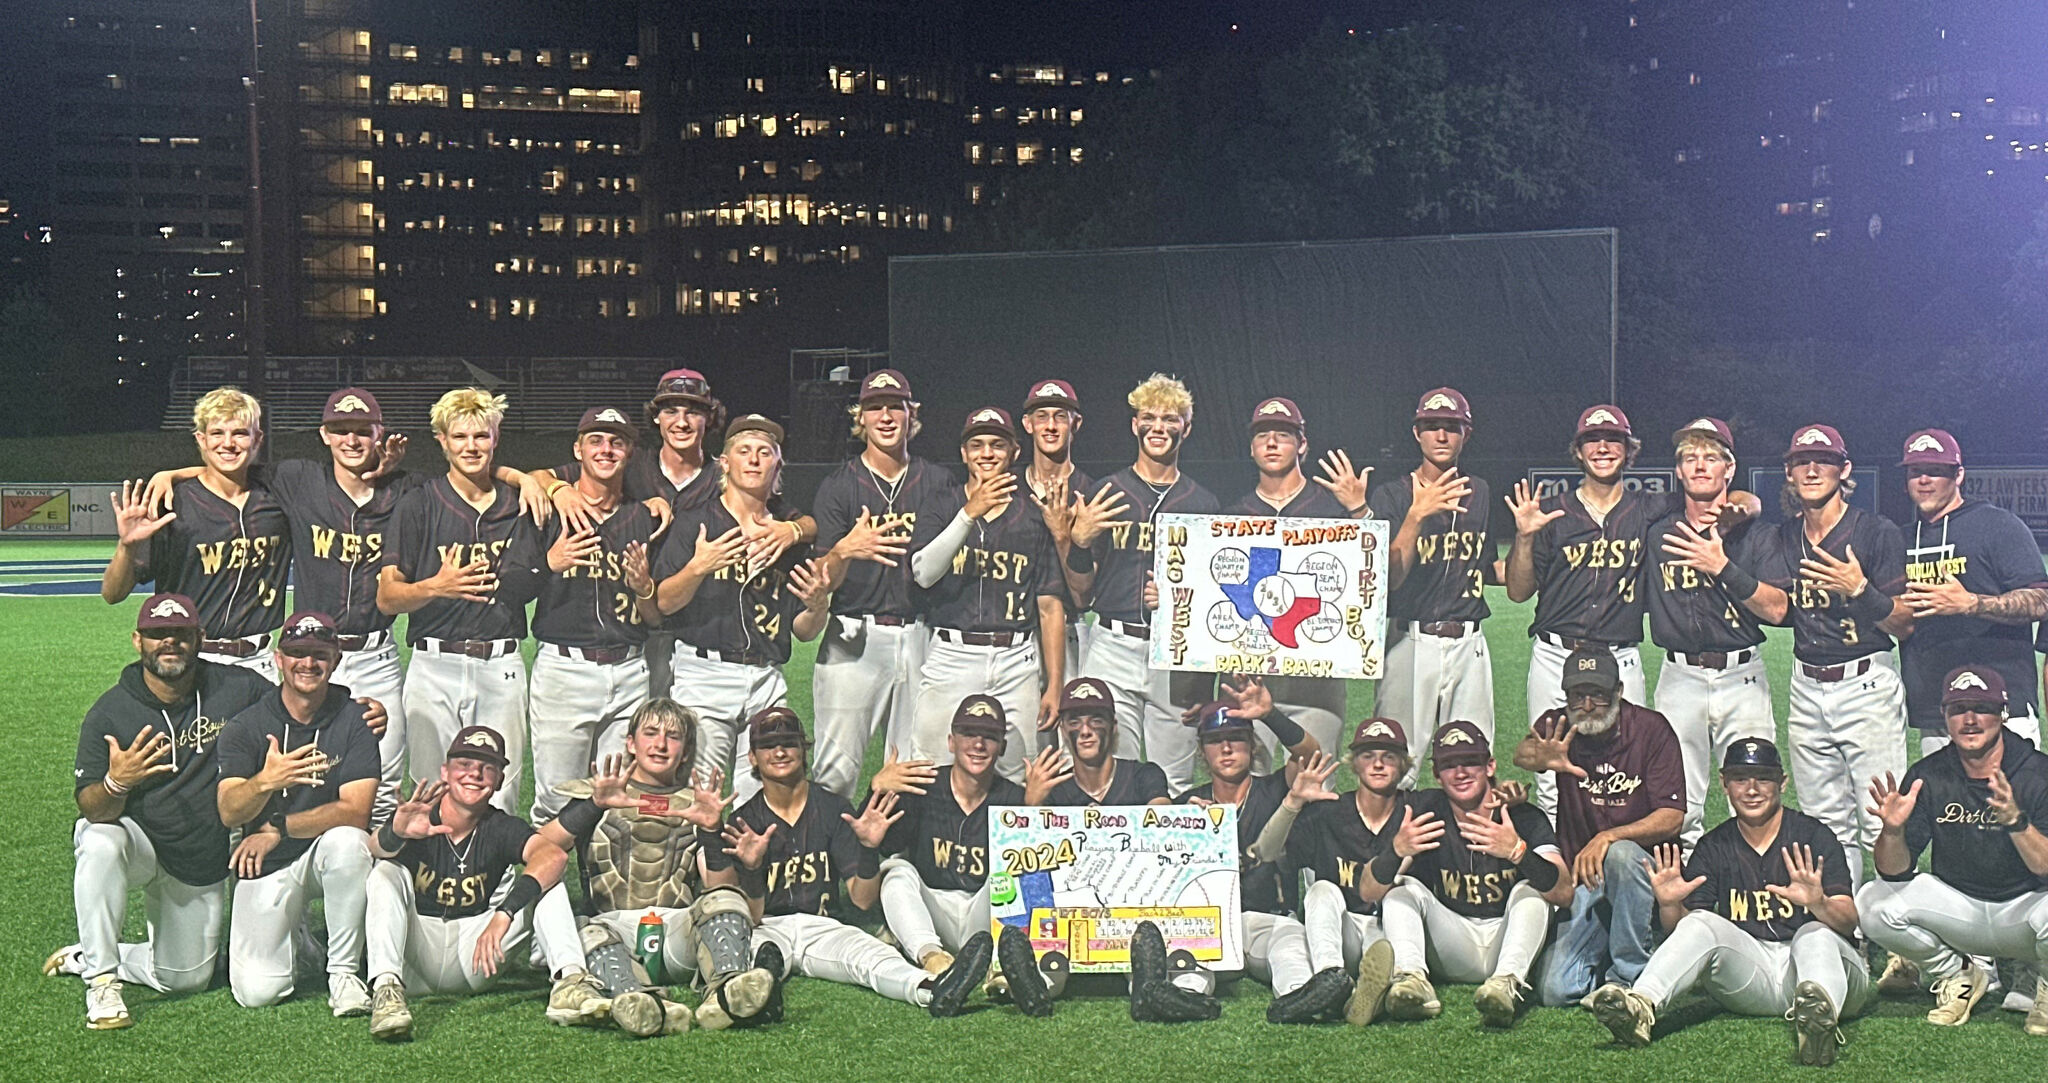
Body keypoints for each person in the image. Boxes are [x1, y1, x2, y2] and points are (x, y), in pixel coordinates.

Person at [138, 387, 545, 821]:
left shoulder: (405, 489)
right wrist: (172, 475)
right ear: (325, 434)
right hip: (310, 658)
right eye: (340, 430)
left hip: (376, 655)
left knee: (383, 782)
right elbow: (227, 468)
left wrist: (524, 478)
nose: (351, 439)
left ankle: (376, 878)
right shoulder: (298, 480)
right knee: (289, 773)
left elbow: (467, 471)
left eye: (361, 430)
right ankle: (286, 857)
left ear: (378, 434)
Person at [1506, 405, 1756, 814]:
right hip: (1555, 655)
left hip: (1619, 657)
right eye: (1593, 440)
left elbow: (1727, 495)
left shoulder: (1650, 509)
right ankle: (1563, 871)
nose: (1603, 448)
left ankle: (1616, 862)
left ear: (1628, 450)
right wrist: (1524, 538)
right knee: (1552, 778)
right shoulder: (1554, 513)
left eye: (1613, 440)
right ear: (1579, 450)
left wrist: (1746, 505)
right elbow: (1518, 592)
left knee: (1625, 774)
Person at [45, 594, 277, 1029]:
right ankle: (101, 981)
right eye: (157, 634)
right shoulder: (110, 712)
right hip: (140, 843)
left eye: (181, 634)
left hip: (198, 856)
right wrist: (119, 781)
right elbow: (92, 807)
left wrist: (353, 708)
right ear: (138, 641)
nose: (169, 643)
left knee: (185, 978)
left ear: (199, 639)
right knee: (98, 841)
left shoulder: (237, 687)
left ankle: (88, 954)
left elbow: (294, 706)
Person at [1588, 737, 1870, 1065]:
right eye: (1740, 778)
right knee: (1698, 921)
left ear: (1782, 782)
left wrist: (1819, 903)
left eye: (1763, 778)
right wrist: (1668, 905)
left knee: (1814, 934)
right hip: (1755, 973)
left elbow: (1849, 921)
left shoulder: (1813, 836)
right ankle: (1641, 1006)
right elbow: (1688, 934)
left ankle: (1820, 1025)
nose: (1752, 789)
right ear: (1724, 783)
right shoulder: (1713, 846)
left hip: (1829, 974)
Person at [1714, 424, 1912, 887]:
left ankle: (1897, 925)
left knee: (1883, 817)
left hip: (1866, 684)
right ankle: (1851, 930)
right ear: (1788, 472)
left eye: (1823, 460)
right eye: (1802, 461)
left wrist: (1860, 589)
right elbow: (1778, 609)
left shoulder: (1876, 531)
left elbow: (1903, 623)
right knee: (1826, 823)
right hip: (1806, 687)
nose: (1812, 468)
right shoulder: (1783, 538)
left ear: (1844, 470)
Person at [708, 708, 993, 1016]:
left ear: (804, 749)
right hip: (767, 928)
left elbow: (863, 899)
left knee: (872, 957)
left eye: (788, 743)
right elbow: (748, 915)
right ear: (752, 757)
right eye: (768, 745)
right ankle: (763, 991)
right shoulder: (744, 821)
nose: (779, 752)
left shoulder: (833, 809)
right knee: (749, 952)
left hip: (826, 927)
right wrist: (751, 870)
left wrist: (869, 849)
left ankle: (936, 988)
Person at [538, 698, 779, 1036]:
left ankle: (725, 990)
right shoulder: (598, 792)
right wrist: (593, 805)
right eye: (650, 733)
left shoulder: (697, 804)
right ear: (630, 743)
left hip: (676, 934)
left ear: (685, 750)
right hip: (613, 931)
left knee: (727, 900)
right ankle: (638, 1001)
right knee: (583, 931)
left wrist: (711, 831)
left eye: (674, 736)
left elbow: (721, 887)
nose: (661, 745)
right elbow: (540, 849)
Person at [363, 725, 609, 1041]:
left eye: (487, 768)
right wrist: (395, 833)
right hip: (413, 955)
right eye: (464, 764)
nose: (474, 774)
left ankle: (570, 983)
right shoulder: (419, 816)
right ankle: (386, 990)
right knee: (385, 871)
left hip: (477, 954)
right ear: (445, 771)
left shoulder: (500, 826)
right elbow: (373, 849)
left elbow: (554, 857)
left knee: (548, 881)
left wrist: (504, 913)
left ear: (499, 781)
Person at [1859, 665, 2048, 1035]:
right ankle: (1960, 975)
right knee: (1871, 901)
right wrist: (1892, 832)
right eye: (1959, 709)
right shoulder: (1929, 774)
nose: (1971, 719)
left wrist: (2016, 821)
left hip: (2025, 914)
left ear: (2002, 713)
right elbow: (1893, 871)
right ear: (1944, 717)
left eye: (1982, 707)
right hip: (1960, 912)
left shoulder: (2038, 773)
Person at [377, 388, 541, 811]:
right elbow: (387, 598)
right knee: (430, 788)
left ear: (496, 438)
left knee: (499, 790)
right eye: (461, 437)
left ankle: (500, 880)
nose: (472, 446)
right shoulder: (418, 504)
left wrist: (533, 481)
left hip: (501, 662)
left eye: (481, 436)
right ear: (442, 440)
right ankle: (431, 876)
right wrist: (437, 586)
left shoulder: (519, 503)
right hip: (435, 663)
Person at [654, 415, 828, 804]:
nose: (753, 460)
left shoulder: (789, 535)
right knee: (703, 799)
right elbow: (664, 602)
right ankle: (704, 866)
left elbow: (804, 629)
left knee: (768, 799)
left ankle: (757, 866)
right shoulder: (696, 522)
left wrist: (818, 605)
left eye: (764, 452)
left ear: (777, 465)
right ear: (725, 463)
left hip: (766, 677)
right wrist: (698, 567)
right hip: (704, 675)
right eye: (743, 451)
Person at [214, 612, 380, 1011]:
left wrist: (277, 826)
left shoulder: (356, 718)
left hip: (317, 850)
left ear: (336, 659)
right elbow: (229, 812)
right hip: (268, 861)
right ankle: (298, 936)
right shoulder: (247, 725)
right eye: (297, 653)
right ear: (278, 658)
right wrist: (265, 782)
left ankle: (343, 973)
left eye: (319, 653)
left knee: (350, 843)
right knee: (257, 993)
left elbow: (357, 812)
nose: (308, 663)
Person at [1065, 373, 1220, 793]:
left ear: (1186, 428)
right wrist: (1078, 543)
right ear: (1134, 424)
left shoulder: (1203, 504)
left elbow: (1217, 600)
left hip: (1174, 655)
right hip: (1113, 645)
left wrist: (1205, 681)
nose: (1159, 427)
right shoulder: (1108, 492)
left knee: (1174, 780)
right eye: (1149, 417)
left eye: (1171, 419)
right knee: (1113, 774)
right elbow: (1080, 593)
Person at [503, 407, 659, 821]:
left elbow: (657, 614)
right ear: (578, 450)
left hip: (630, 672)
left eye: (617, 441)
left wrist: (646, 589)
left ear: (629, 452)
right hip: (564, 672)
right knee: (555, 802)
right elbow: (512, 588)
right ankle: (546, 887)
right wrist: (548, 563)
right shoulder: (546, 510)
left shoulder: (644, 517)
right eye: (596, 440)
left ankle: (602, 888)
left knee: (617, 803)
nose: (606, 449)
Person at [1515, 648, 1684, 1006]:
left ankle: (1629, 977)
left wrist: (1608, 837)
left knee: (1621, 855)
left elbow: (1672, 816)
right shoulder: (1559, 728)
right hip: (1584, 876)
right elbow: (1521, 754)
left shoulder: (1651, 730)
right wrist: (1540, 758)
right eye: (1578, 695)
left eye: (1598, 694)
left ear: (1619, 692)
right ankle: (1609, 946)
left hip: (1642, 876)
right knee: (1555, 991)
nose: (1588, 705)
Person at [905, 407, 1065, 779]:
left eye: (997, 444)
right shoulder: (942, 503)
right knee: (931, 764)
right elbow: (923, 574)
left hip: (1017, 658)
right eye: (976, 445)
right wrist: (968, 513)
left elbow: (1049, 606)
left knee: (1020, 771)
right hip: (952, 652)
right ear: (963, 453)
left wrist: (1054, 684)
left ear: (1014, 452)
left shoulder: (1032, 514)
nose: (987, 453)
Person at [1173, 689, 1350, 1025]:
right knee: (1186, 957)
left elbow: (1310, 753)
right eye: (1215, 740)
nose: (1226, 748)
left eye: (1236, 739)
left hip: (1267, 919)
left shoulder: (1275, 788)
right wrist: (1184, 827)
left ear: (1252, 745)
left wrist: (1270, 716)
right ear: (1201, 750)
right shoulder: (1187, 804)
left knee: (1291, 943)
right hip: (1207, 925)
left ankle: (1298, 996)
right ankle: (1187, 997)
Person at [1380, 721, 1570, 1028]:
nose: (1461, 772)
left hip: (1507, 941)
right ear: (1436, 774)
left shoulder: (1523, 816)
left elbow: (1563, 891)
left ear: (1490, 766)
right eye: (1449, 765)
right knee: (1401, 890)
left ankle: (1507, 984)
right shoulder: (1424, 811)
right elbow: (1370, 891)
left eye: (1470, 762)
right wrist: (1396, 851)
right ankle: (1413, 981)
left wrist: (1518, 852)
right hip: (1451, 942)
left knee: (1531, 891)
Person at [806, 369, 942, 798]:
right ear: (860, 418)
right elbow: (822, 580)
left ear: (910, 415)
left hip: (921, 634)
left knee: (913, 766)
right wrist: (845, 550)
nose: (884, 416)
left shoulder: (937, 482)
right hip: (853, 635)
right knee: (835, 768)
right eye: (874, 408)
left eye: (894, 407)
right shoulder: (839, 486)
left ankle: (898, 861)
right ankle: (830, 858)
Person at [866, 696, 1048, 1014]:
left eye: (989, 737)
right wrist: (876, 790)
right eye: (969, 734)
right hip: (932, 912)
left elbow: (1043, 869)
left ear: (1002, 747)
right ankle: (933, 958)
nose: (978, 744)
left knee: (1016, 873)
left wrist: (1032, 813)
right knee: (895, 869)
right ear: (951, 742)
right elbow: (876, 845)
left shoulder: (1014, 797)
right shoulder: (923, 786)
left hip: (986, 916)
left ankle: (1001, 968)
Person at [1222, 396, 1370, 767]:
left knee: (1315, 778)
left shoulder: (1332, 508)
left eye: (1283, 435)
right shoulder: (1231, 516)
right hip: (1249, 675)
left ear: (1302, 444)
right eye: (1262, 436)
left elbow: (1373, 576)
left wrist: (1359, 512)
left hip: (1316, 677)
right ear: (1252, 447)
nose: (1271, 443)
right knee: (1248, 783)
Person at [1648, 417, 1775, 850]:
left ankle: (1761, 888)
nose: (1700, 466)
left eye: (1711, 458)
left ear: (1729, 469)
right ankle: (1678, 903)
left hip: (1741, 676)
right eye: (1689, 458)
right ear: (1678, 471)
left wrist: (1723, 564)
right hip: (1678, 676)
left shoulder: (1754, 535)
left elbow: (1778, 610)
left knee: (1757, 788)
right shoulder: (1658, 532)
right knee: (1676, 797)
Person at [102, 387, 290, 678]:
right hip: (189, 660)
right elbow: (113, 594)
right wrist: (127, 546)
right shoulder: (171, 503)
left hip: (260, 662)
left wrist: (172, 471)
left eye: (240, 433)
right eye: (217, 433)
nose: (228, 443)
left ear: (257, 440)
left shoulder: (278, 496)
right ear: (201, 440)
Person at [1369, 388, 1496, 781]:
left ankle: (1470, 843)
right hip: (1410, 640)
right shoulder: (1391, 495)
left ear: (1466, 433)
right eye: (1431, 426)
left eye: (1451, 427)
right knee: (1394, 764)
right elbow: (1387, 580)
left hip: (1468, 642)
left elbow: (1484, 565)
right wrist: (1416, 515)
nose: (1441, 436)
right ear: (1416, 433)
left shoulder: (1481, 492)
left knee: (1471, 760)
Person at [1894, 429, 2048, 753]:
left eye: (1935, 471)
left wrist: (1972, 603)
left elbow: (2041, 599)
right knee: (1949, 805)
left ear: (1959, 475)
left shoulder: (1998, 526)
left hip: (2003, 709)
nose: (1924, 480)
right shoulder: (1902, 538)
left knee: (2011, 804)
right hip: (1937, 710)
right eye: (1915, 472)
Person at [1289, 717, 1412, 1026]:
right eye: (1368, 756)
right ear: (1354, 764)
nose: (1379, 765)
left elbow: (1467, 800)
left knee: (1400, 900)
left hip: (1390, 932)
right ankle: (1330, 981)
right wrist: (1292, 804)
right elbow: (1270, 853)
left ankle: (1373, 994)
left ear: (1404, 765)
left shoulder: (1420, 808)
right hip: (1338, 931)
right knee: (1321, 889)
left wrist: (1506, 795)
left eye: (1389, 757)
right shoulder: (1328, 811)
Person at [1016, 378, 1091, 682]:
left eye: (1060, 416)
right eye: (1041, 416)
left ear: (1076, 424)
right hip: (1016, 634)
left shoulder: (1090, 492)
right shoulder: (1006, 489)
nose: (1050, 426)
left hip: (1073, 630)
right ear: (1027, 423)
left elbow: (1086, 594)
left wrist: (1065, 537)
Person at [1025, 677, 1172, 808]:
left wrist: (1163, 810)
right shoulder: (1055, 791)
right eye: (1075, 722)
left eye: (1096, 721)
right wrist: (1032, 806)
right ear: (1063, 730)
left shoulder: (1143, 776)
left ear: (1113, 726)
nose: (1085, 731)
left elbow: (1163, 822)